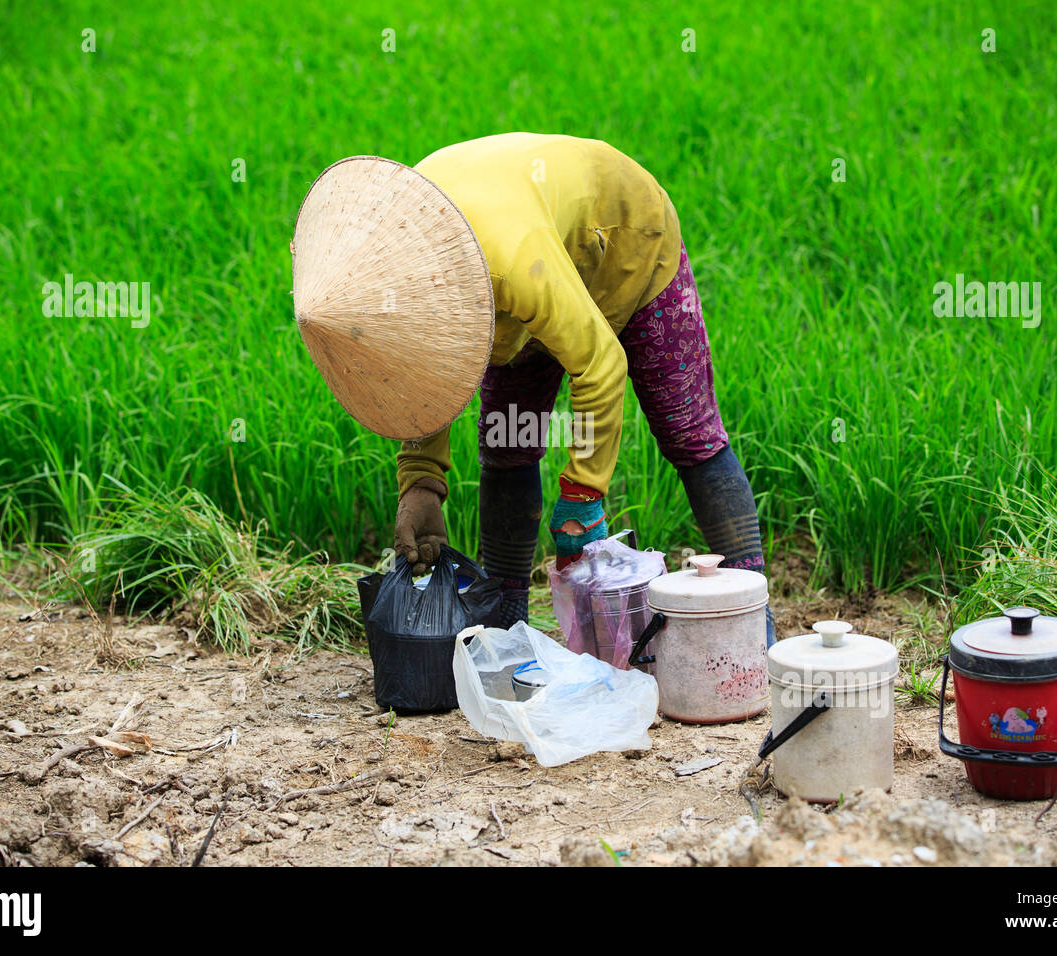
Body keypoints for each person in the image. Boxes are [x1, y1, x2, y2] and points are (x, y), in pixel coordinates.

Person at [293, 132, 774, 646]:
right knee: (507, 442)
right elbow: (420, 371)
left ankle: (752, 613)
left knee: (687, 433)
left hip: (624, 240)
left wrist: (584, 493)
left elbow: (600, 364)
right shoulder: (390, 266)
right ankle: (506, 624)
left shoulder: (511, 263)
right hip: (522, 263)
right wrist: (422, 482)